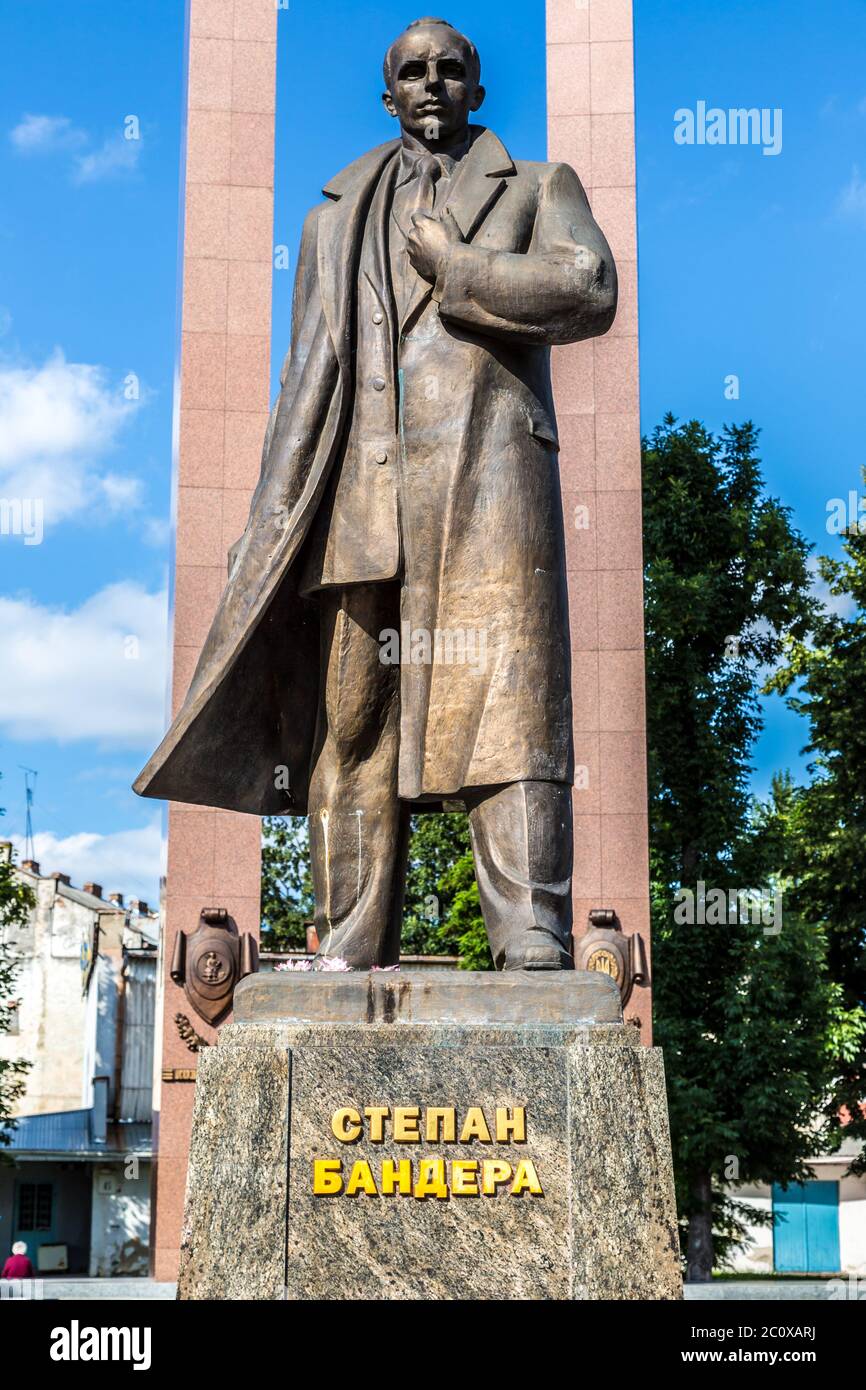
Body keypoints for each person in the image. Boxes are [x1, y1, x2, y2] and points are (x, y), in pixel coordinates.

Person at [135, 17, 617, 972]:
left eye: (450, 70)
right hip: (364, 497)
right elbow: (304, 380)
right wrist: (265, 521)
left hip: (488, 483)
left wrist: (459, 269)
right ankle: (348, 939)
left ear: (477, 89)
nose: (431, 84)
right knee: (349, 725)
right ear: (388, 94)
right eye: (412, 73)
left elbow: (588, 288)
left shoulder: (536, 186)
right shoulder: (332, 219)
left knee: (509, 711)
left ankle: (531, 932)